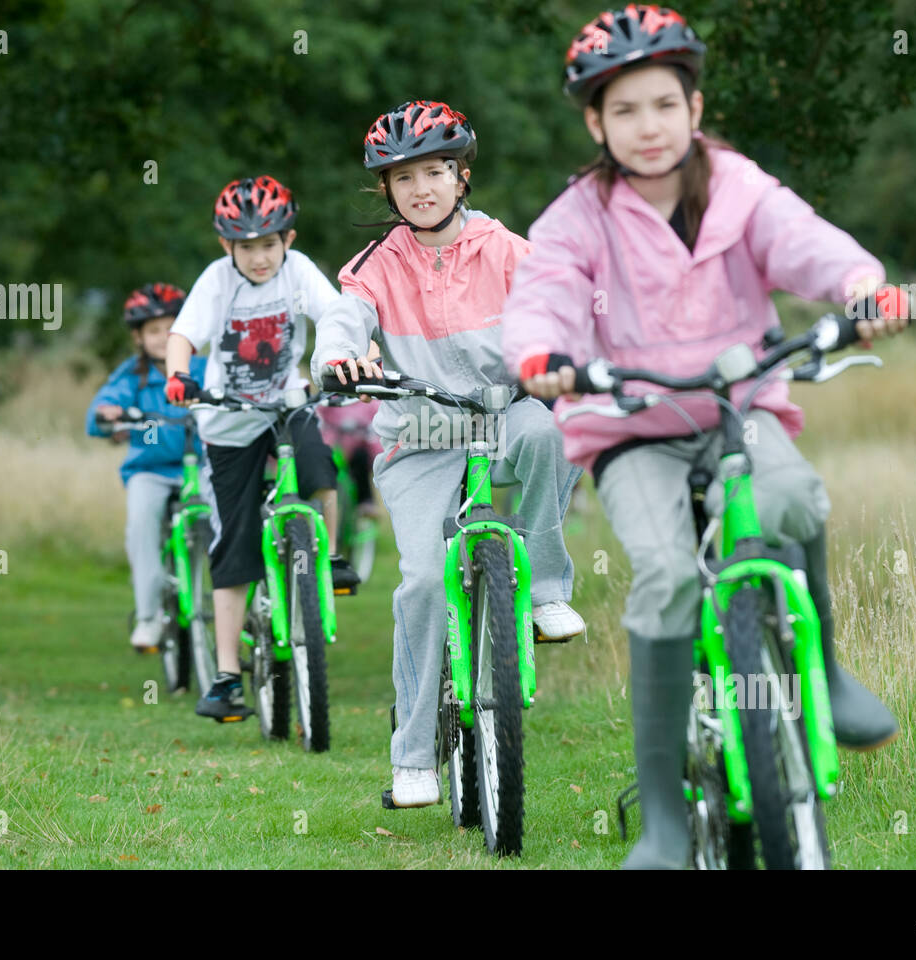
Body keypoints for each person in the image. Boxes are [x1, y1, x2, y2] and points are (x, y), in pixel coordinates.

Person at [502, 5, 907, 868]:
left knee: (792, 494)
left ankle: (825, 683)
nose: (647, 127)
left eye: (662, 104)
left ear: (693, 105)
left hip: (737, 410)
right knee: (665, 574)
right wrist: (541, 353)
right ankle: (659, 819)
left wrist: (862, 287)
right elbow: (543, 292)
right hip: (629, 427)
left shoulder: (737, 185)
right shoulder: (579, 216)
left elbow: (807, 244)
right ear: (594, 122)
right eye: (624, 111)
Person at [311, 100, 586, 809]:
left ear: (462, 176)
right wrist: (340, 355)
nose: (421, 188)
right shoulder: (376, 264)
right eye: (403, 178)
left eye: (435, 171)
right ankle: (412, 759)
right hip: (422, 437)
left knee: (550, 434)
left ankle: (547, 590)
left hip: (503, 413)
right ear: (388, 191)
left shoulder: (503, 247)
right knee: (424, 584)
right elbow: (346, 317)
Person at [165, 175, 360, 723]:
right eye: (245, 246)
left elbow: (339, 315)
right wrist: (178, 375)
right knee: (238, 541)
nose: (258, 257)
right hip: (227, 421)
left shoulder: (298, 272)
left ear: (288, 239)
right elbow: (183, 337)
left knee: (322, 467)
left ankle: (329, 557)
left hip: (285, 401)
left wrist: (355, 353)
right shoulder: (216, 282)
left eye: (268, 244)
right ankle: (227, 677)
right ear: (227, 246)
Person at [85, 283, 207, 651]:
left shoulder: (200, 367)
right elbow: (99, 414)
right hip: (149, 471)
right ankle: (148, 616)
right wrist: (108, 414)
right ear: (138, 337)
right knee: (141, 529)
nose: (163, 337)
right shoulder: (131, 376)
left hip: (200, 466)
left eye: (172, 328)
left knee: (225, 517)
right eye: (154, 331)